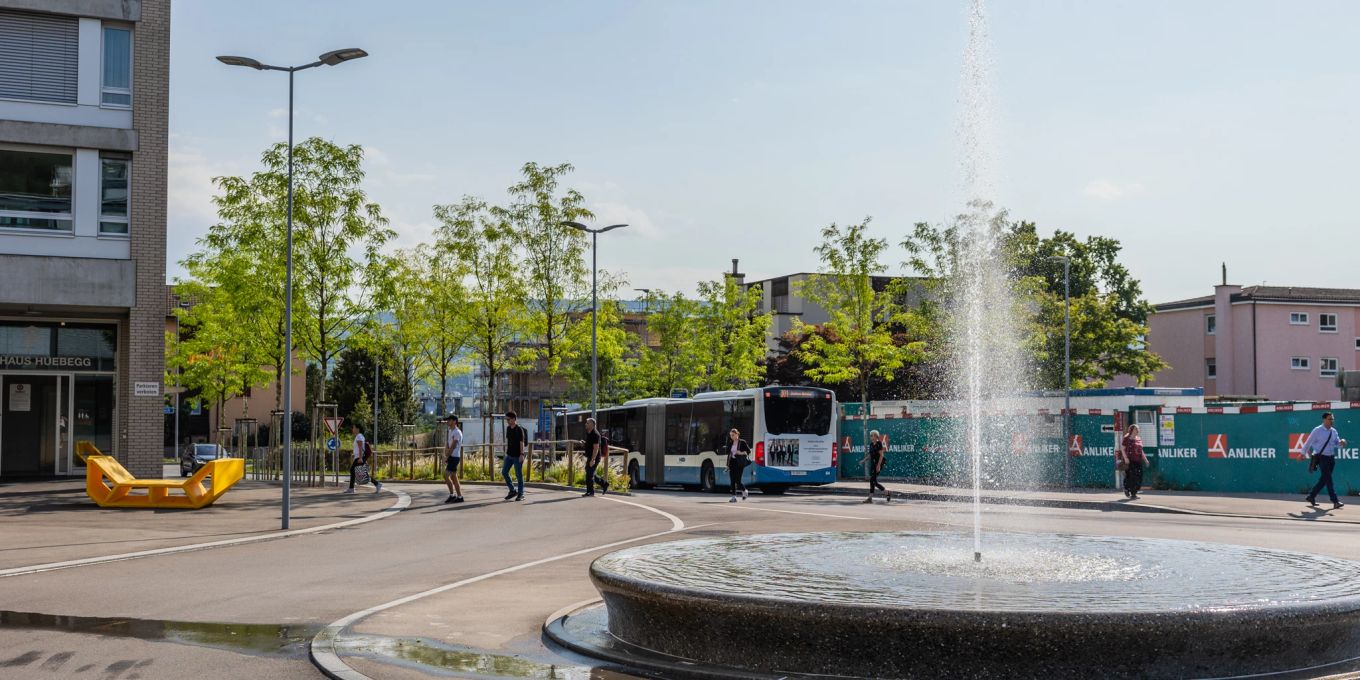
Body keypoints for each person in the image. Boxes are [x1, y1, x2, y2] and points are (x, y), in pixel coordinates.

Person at [1303, 412, 1348, 510]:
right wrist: (1302, 453)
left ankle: (1311, 496)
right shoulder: (1317, 430)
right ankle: (1335, 501)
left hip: (1331, 458)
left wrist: (1342, 443)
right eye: (1329, 419)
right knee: (1329, 480)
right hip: (1322, 458)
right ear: (1324, 420)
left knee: (1324, 479)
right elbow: (1308, 443)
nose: (1331, 421)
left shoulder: (1334, 431)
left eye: (1332, 419)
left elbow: (1337, 444)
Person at [346, 421, 382, 494]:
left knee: (355, 471)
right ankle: (351, 488)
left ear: (357, 428)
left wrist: (360, 458)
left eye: (353, 427)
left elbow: (360, 447)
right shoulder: (359, 436)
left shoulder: (359, 436)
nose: (352, 429)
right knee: (357, 472)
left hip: (360, 457)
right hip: (359, 457)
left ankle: (377, 484)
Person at [502, 411, 528, 501]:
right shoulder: (508, 428)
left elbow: (522, 442)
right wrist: (506, 453)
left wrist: (522, 454)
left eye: (508, 419)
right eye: (506, 419)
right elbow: (509, 441)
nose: (507, 421)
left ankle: (521, 494)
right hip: (509, 455)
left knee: (519, 475)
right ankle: (512, 490)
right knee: (504, 472)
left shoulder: (519, 429)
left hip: (517, 456)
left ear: (513, 419)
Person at [581, 417, 609, 497]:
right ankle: (604, 484)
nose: (586, 424)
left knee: (589, 474)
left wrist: (593, 460)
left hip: (595, 457)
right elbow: (590, 444)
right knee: (589, 472)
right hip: (590, 456)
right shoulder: (589, 432)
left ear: (592, 424)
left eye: (587, 423)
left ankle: (591, 492)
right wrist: (585, 443)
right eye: (586, 423)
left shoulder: (595, 434)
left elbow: (596, 448)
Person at [1119, 424, 1148, 500]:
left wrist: (1145, 460)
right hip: (1130, 460)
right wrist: (1125, 458)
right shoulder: (1127, 438)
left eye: (1138, 429)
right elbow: (1122, 448)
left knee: (1139, 476)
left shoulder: (1139, 439)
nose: (1137, 430)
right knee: (1131, 477)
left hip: (1138, 460)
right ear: (1131, 430)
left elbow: (1141, 450)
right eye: (1136, 429)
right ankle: (1131, 492)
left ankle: (1133, 491)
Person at [443, 415, 464, 504]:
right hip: (451, 457)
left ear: (455, 421)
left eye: (449, 420)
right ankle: (459, 497)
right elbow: (448, 444)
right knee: (453, 477)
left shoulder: (457, 432)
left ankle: (452, 495)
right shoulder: (450, 431)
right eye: (447, 420)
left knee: (446, 475)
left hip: (454, 457)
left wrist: (446, 456)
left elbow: (453, 446)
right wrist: (446, 453)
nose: (448, 421)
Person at [727, 429, 752, 503]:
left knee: (738, 480)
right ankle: (733, 497)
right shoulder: (731, 442)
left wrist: (740, 453)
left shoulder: (742, 442)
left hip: (739, 463)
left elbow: (748, 451)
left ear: (737, 434)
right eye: (731, 435)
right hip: (732, 462)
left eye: (733, 435)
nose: (731, 437)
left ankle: (745, 490)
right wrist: (727, 465)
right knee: (732, 481)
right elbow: (729, 454)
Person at [864, 430, 889, 504]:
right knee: (873, 481)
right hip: (873, 464)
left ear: (876, 436)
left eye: (873, 435)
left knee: (872, 480)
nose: (872, 437)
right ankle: (886, 492)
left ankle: (870, 498)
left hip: (879, 463)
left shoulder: (879, 443)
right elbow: (870, 455)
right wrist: (864, 460)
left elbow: (881, 455)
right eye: (871, 436)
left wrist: (878, 466)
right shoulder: (871, 444)